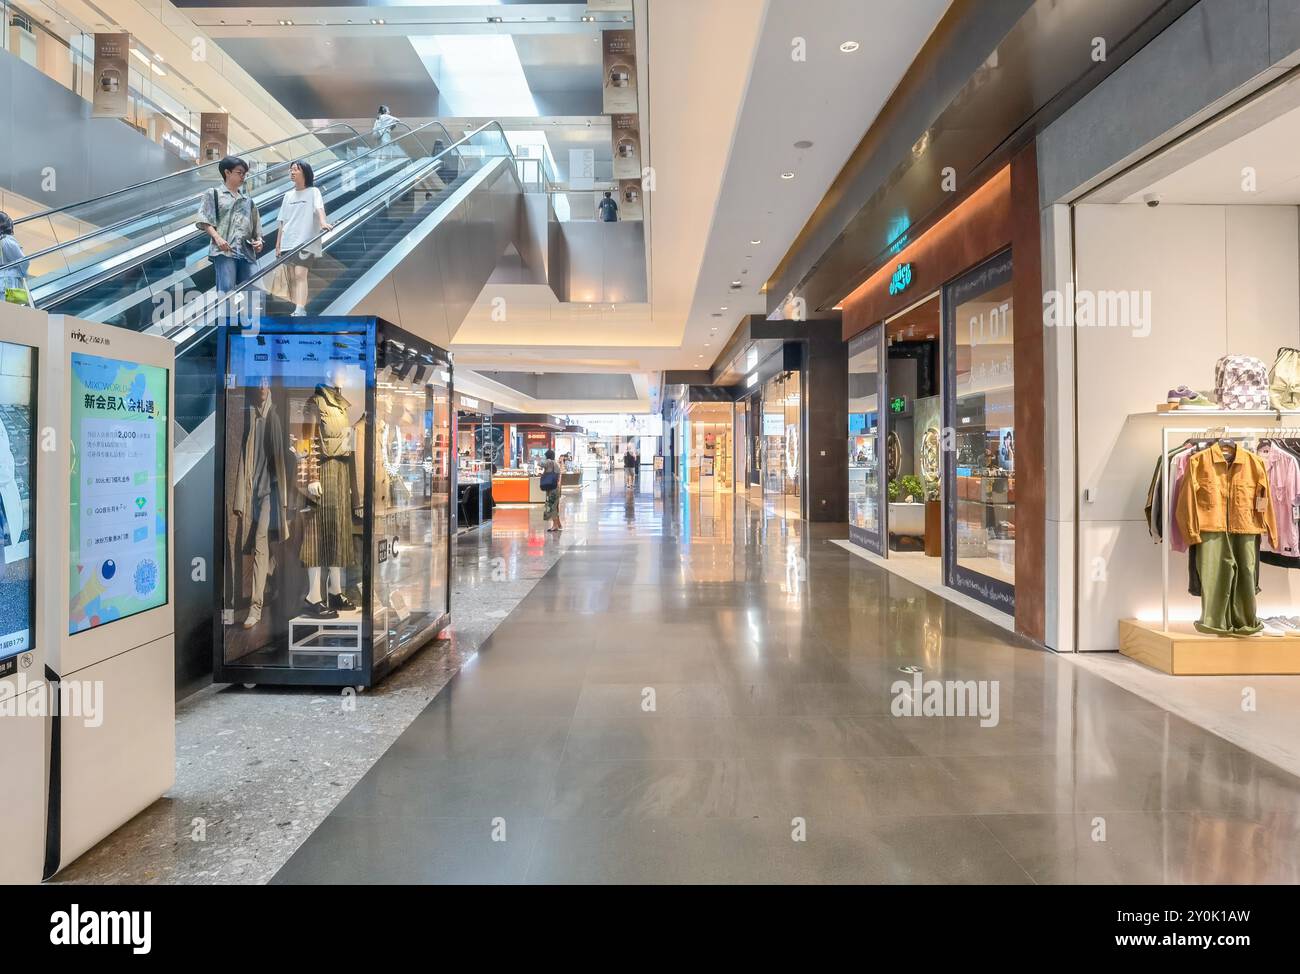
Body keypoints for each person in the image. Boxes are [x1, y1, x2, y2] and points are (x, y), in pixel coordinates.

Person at [197, 156, 263, 294]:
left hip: (247, 251)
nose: (243, 176)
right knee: (226, 289)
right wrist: (217, 238)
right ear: (227, 172)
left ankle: (249, 316)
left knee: (254, 288)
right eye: (239, 173)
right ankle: (227, 316)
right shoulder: (214, 193)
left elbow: (257, 227)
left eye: (244, 174)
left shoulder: (248, 201)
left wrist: (259, 242)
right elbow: (204, 220)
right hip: (224, 250)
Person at [276, 161, 332, 316]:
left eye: (296, 169)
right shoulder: (288, 196)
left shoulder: (313, 191)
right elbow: (282, 221)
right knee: (293, 277)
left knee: (301, 274)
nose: (292, 172)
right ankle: (297, 308)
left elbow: (319, 208)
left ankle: (300, 309)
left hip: (306, 240)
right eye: (291, 170)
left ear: (305, 173)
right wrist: (278, 244)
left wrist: (323, 222)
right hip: (288, 241)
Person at [0, 212, 30, 305]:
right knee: (11, 312)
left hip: (5, 283)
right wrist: (22, 273)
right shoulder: (6, 241)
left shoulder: (4, 240)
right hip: (9, 282)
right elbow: (23, 261)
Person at [542, 448, 563, 532]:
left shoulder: (551, 464)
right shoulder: (555, 464)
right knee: (555, 506)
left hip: (552, 488)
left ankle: (555, 525)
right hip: (555, 487)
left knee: (552, 507)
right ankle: (558, 524)